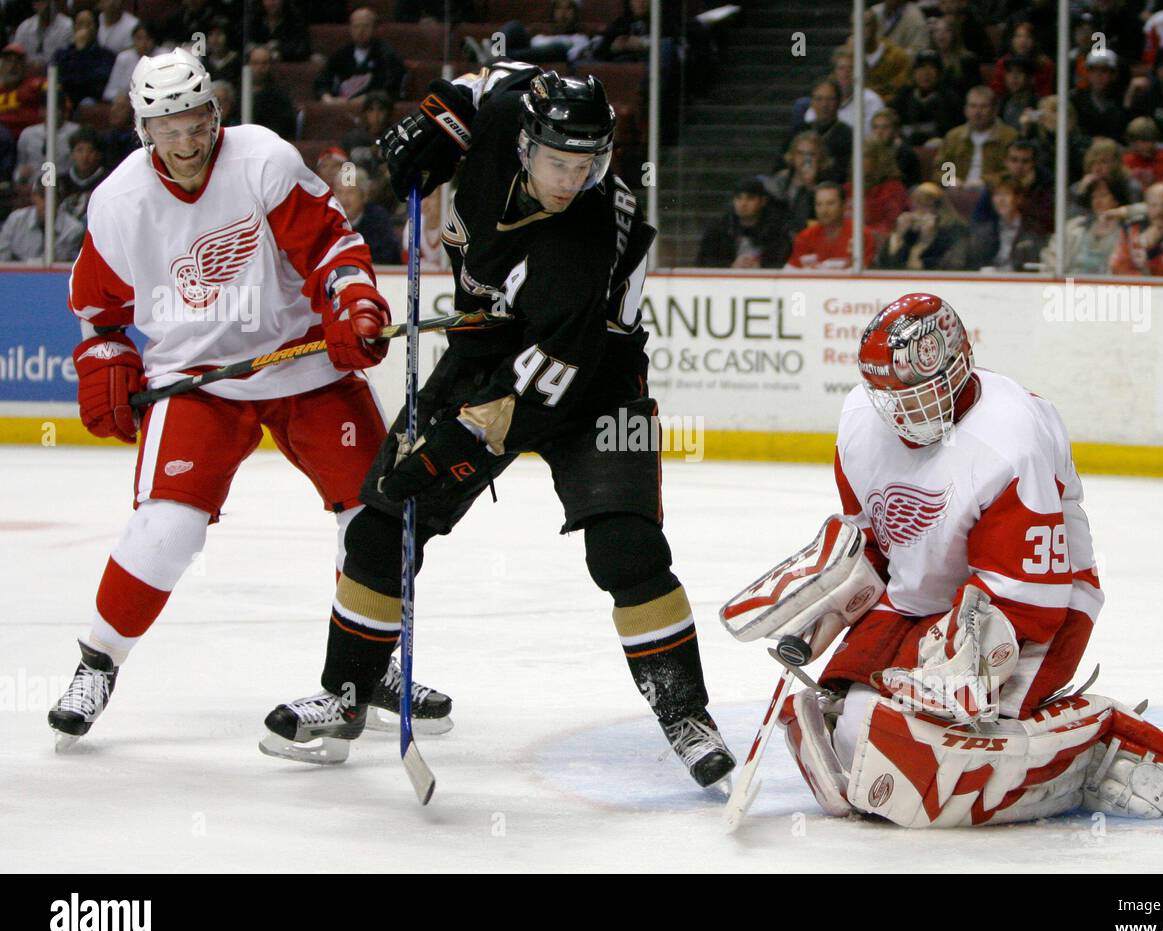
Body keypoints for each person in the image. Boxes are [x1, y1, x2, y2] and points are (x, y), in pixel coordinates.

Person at [265, 63, 737, 789]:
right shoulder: (508, 115)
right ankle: (347, 693)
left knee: (626, 546)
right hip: (485, 352)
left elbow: (548, 379)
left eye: (586, 164)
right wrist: (442, 112)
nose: (570, 177)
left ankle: (684, 711)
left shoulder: (584, 235)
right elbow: (495, 77)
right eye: (558, 161)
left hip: (599, 379)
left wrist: (454, 442)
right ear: (526, 142)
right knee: (381, 520)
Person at [47, 48, 450, 750]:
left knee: (378, 516)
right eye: (167, 127)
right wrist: (106, 358)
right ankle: (98, 662)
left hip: (303, 363)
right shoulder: (118, 203)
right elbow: (97, 310)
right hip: (201, 380)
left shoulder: (261, 159)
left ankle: (365, 665)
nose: (185, 140)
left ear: (216, 113)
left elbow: (330, 247)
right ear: (145, 130)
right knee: (168, 530)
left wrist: (351, 300)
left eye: (195, 120)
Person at [770, 292, 1163, 826]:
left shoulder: (1010, 440)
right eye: (890, 397)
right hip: (915, 600)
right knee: (852, 736)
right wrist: (830, 598)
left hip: (1033, 605)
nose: (901, 413)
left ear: (959, 368)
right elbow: (872, 542)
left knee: (942, 758)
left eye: (919, 395)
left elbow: (1029, 601)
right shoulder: (858, 421)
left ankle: (1097, 736)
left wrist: (958, 667)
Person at [1039, 172, 1129, 275]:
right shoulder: (1073, 227)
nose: (1097, 201)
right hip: (1069, 286)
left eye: (1103, 196)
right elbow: (1050, 257)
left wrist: (1123, 212)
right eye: (1094, 197)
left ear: (1116, 199)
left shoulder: (1127, 232)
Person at [697, 176, 792, 269]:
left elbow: (785, 263)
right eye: (738, 198)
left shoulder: (777, 230)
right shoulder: (718, 229)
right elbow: (702, 262)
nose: (743, 204)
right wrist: (730, 266)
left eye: (750, 198)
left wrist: (762, 267)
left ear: (763, 201)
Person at [315, 6, 404, 103]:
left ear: (375, 28)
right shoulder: (342, 53)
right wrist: (327, 97)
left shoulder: (386, 54)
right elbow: (323, 80)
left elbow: (389, 88)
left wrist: (361, 100)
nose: (360, 31)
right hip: (342, 105)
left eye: (365, 26)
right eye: (356, 26)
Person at [936, 85, 1017, 187]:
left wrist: (985, 182)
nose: (977, 112)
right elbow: (940, 168)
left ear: (995, 110)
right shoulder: (953, 136)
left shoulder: (1010, 136)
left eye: (983, 107)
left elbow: (1013, 172)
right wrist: (951, 180)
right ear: (965, 109)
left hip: (994, 192)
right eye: (973, 106)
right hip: (957, 190)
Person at [875, 181, 967, 270]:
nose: (919, 212)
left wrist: (926, 241)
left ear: (938, 209)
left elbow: (949, 267)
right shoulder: (910, 230)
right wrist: (898, 237)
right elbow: (888, 266)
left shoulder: (952, 232)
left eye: (926, 206)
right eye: (915, 207)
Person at [785, 181, 874, 270]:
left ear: (843, 205)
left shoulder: (860, 235)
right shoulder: (805, 237)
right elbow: (790, 272)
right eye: (819, 204)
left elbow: (864, 274)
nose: (824, 210)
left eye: (830, 203)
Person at [967, 173, 1044, 271]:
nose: (1000, 200)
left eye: (1006, 194)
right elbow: (974, 264)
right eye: (997, 194)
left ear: (1018, 198)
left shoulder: (1032, 230)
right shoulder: (984, 231)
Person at [0, 171, 84, 260]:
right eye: (42, 196)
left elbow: (64, 265)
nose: (47, 202)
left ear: (60, 200)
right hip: (16, 273)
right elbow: (2, 258)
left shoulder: (73, 229)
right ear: (33, 196)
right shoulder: (15, 220)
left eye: (52, 196)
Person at [785, 78, 852, 183]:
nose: (824, 105)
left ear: (839, 102)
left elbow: (843, 172)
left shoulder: (847, 135)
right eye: (819, 99)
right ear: (811, 102)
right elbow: (781, 164)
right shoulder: (799, 130)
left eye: (830, 99)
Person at [890, 49, 961, 146]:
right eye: (921, 67)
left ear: (939, 73)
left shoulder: (950, 99)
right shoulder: (904, 96)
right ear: (913, 72)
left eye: (931, 67)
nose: (926, 73)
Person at [52, 9, 116, 106]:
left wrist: (81, 52)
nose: (84, 28)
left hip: (89, 101)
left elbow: (94, 86)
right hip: (64, 100)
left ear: (96, 28)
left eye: (88, 24)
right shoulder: (61, 55)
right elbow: (60, 80)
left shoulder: (106, 56)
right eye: (80, 24)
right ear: (74, 28)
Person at [247, 45, 297, 141]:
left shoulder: (280, 95)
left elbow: (284, 126)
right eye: (255, 63)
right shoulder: (240, 91)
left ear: (271, 65)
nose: (259, 68)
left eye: (264, 63)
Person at [12, 0, 73, 67]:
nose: (45, 6)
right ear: (34, 5)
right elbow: (15, 56)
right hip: (27, 74)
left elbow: (66, 60)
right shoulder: (24, 27)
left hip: (55, 73)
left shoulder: (68, 27)